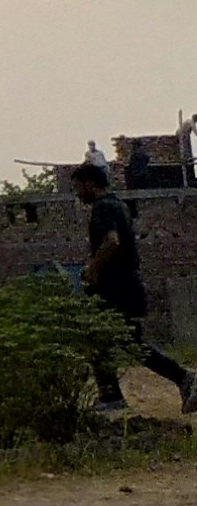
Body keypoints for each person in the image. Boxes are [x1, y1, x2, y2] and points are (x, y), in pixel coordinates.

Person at [77, 160, 191, 413]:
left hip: (114, 289)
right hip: (126, 287)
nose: (76, 193)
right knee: (129, 343)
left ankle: (112, 397)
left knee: (98, 338)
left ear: (89, 184)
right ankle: (183, 380)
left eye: (77, 187)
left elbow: (112, 241)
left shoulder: (103, 208)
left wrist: (93, 270)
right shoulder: (119, 205)